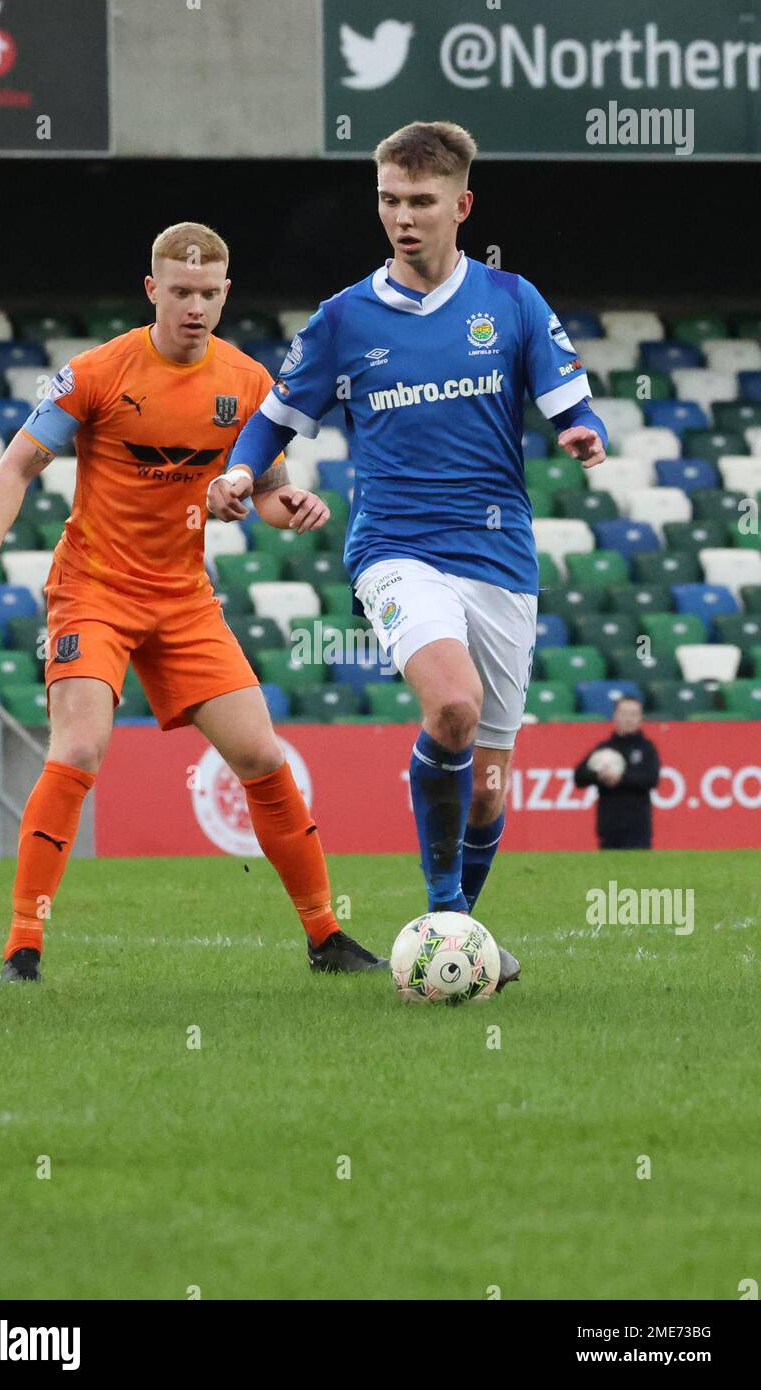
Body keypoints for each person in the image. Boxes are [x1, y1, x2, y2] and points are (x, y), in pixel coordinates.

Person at [208, 121, 609, 989]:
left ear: (461, 206)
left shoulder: (510, 301)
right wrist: (242, 471)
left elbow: (571, 397)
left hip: (500, 560)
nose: (403, 216)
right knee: (452, 709)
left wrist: (581, 431)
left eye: (421, 201)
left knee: (492, 785)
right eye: (390, 200)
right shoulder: (345, 319)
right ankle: (448, 919)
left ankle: (457, 927)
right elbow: (277, 417)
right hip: (395, 550)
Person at [0, 221, 385, 981]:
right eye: (180, 292)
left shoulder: (248, 382)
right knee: (79, 748)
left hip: (183, 599)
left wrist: (294, 507)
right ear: (153, 290)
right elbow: (17, 468)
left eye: (208, 293)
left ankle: (325, 936)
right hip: (94, 590)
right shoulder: (95, 372)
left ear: (225, 294)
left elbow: (268, 491)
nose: (194, 307)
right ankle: (23, 946)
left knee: (259, 755)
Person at [574, 696, 661, 850]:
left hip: (638, 828)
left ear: (641, 718)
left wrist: (621, 778)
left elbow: (651, 778)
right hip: (609, 827)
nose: (629, 719)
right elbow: (579, 777)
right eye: (624, 713)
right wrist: (600, 776)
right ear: (615, 716)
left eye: (634, 714)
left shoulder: (647, 748)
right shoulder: (605, 749)